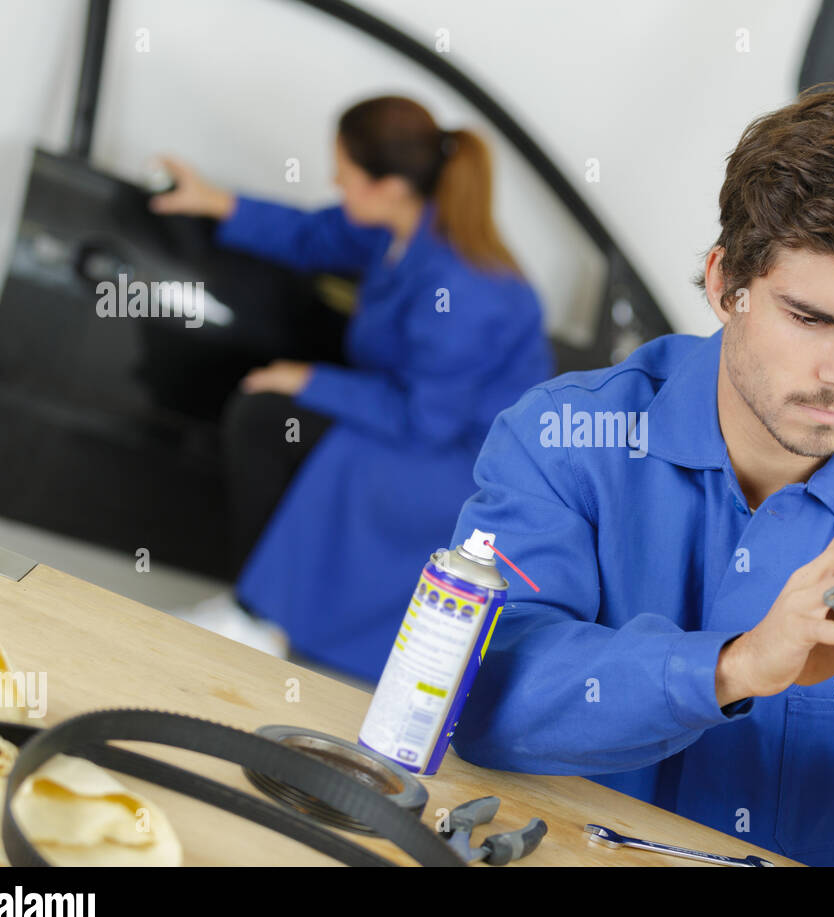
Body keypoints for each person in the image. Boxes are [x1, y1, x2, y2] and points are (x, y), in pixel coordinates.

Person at [446, 84, 834, 866]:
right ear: (723, 283)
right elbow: (479, 697)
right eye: (812, 318)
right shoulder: (562, 440)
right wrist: (735, 666)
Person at [153, 96, 553, 683]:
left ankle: (262, 617)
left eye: (345, 168)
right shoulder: (399, 227)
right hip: (423, 420)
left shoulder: (465, 288)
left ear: (389, 184)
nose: (333, 178)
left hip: (464, 462)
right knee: (272, 416)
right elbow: (312, 236)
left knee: (295, 429)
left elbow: (426, 421)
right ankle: (260, 608)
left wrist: (308, 379)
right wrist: (216, 202)